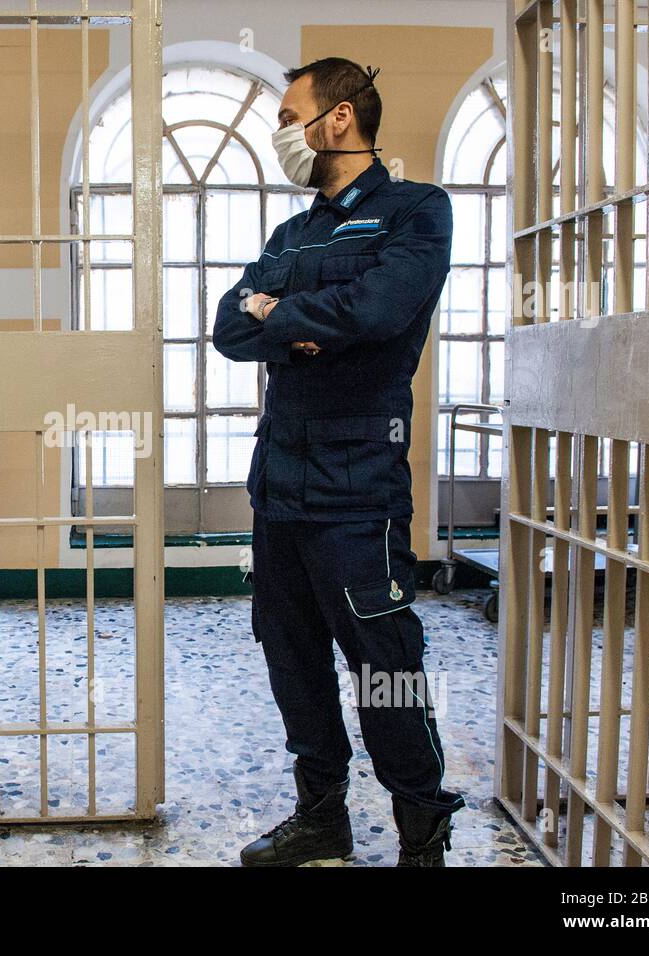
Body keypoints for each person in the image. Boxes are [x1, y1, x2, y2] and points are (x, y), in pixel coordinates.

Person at [213, 58, 463, 866]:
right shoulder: (292, 234)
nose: (282, 131)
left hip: (358, 493)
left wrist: (280, 314)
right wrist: (307, 324)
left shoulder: (415, 211)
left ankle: (422, 832)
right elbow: (227, 327)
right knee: (293, 662)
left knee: (385, 670)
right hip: (280, 489)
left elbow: (381, 310)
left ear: (341, 119)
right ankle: (321, 816)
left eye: (290, 115)